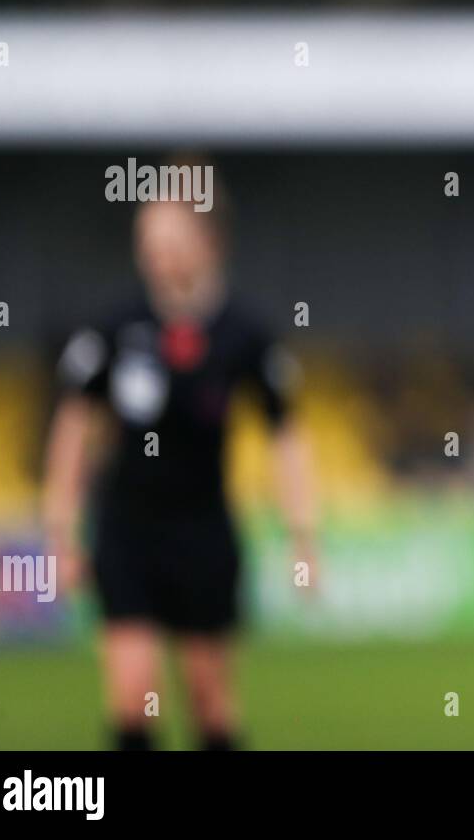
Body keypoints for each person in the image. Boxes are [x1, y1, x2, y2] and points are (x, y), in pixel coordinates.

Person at [41, 174, 317, 750]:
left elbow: (285, 435)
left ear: (208, 240)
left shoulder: (244, 333)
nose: (154, 252)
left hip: (204, 534)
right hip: (126, 532)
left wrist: (302, 537)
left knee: (210, 703)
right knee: (134, 697)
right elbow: (72, 428)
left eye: (168, 237)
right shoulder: (114, 326)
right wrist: (60, 535)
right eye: (147, 238)